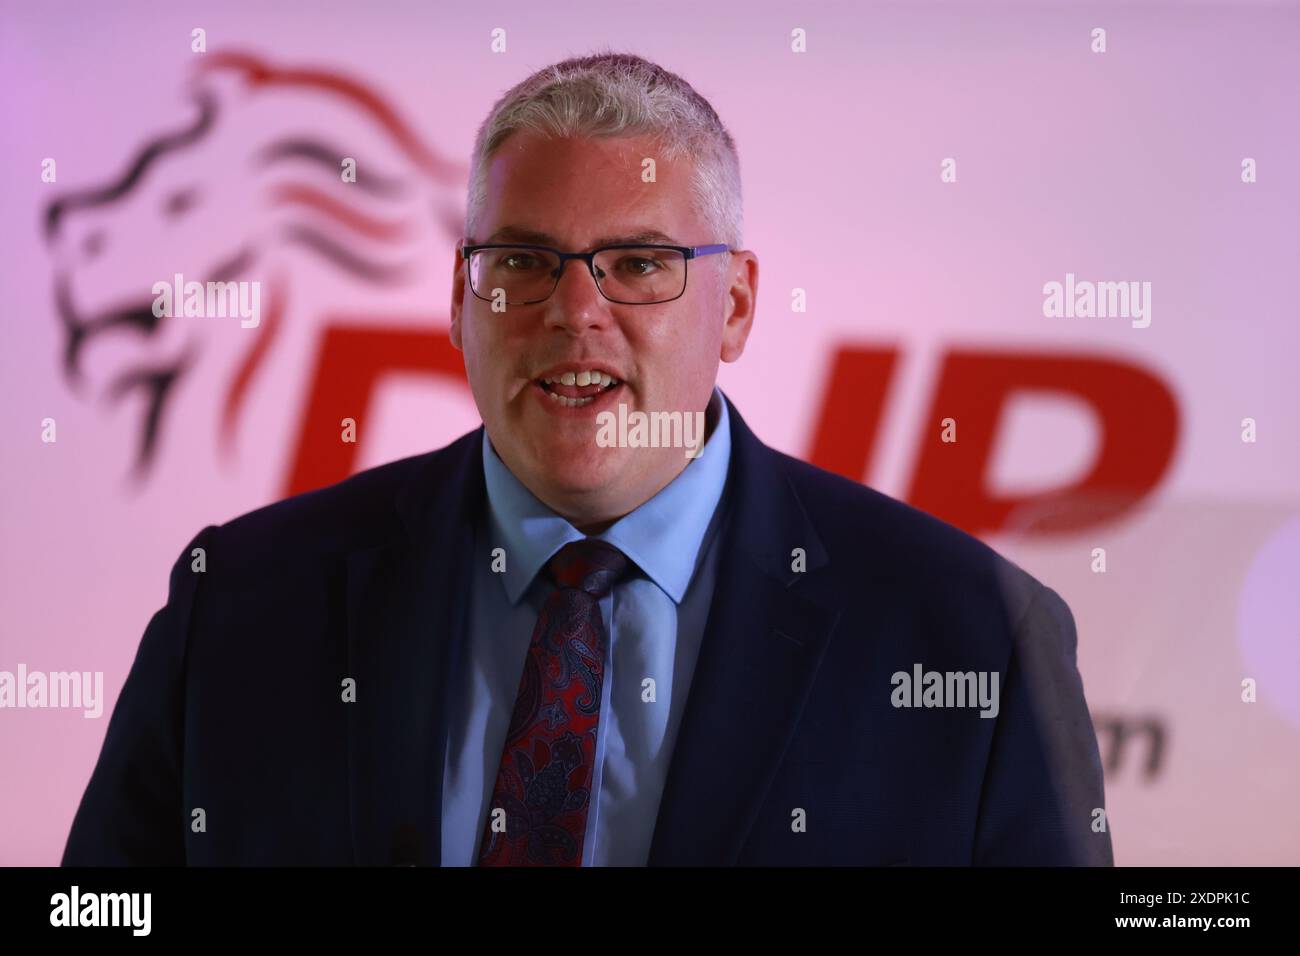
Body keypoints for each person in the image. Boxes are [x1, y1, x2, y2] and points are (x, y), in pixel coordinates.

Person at [63, 51, 1112, 866]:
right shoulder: (242, 601)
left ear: (736, 304)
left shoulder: (975, 635)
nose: (576, 313)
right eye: (521, 260)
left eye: (639, 264)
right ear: (458, 300)